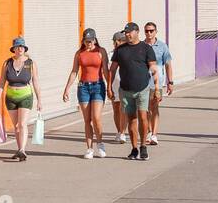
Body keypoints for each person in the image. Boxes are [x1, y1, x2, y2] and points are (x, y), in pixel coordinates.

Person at [108, 22, 159, 161]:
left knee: (143, 117)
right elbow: (112, 69)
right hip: (125, 90)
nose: (127, 35)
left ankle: (143, 146)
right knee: (131, 120)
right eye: (126, 32)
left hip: (142, 89)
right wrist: (109, 87)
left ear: (137, 32)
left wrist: (157, 87)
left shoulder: (146, 48)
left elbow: (154, 69)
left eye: (129, 32)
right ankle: (134, 148)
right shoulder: (121, 50)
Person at [62, 28, 108, 159]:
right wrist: (67, 89)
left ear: (95, 39)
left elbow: (105, 69)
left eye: (90, 41)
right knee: (87, 120)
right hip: (83, 87)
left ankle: (100, 143)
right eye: (86, 41)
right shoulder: (79, 53)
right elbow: (74, 71)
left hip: (98, 86)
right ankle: (89, 148)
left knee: (96, 118)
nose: (88, 43)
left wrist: (109, 86)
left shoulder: (101, 51)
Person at [0, 36, 42, 163]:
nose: (20, 48)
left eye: (22, 46)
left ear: (24, 48)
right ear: (14, 49)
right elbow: (1, 83)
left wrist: (39, 100)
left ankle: (22, 150)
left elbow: (36, 82)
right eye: (17, 47)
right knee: (16, 126)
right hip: (10, 97)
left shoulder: (30, 63)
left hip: (25, 96)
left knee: (22, 124)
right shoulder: (7, 63)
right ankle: (19, 149)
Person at [142, 22, 173, 146]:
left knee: (154, 107)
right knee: (146, 109)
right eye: (147, 31)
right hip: (143, 83)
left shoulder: (162, 46)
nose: (149, 33)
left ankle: (154, 134)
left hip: (157, 83)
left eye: (151, 30)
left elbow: (168, 64)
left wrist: (170, 82)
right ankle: (149, 131)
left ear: (156, 31)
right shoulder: (141, 46)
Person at [108, 31, 128, 143]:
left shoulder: (127, 52)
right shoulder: (110, 54)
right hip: (114, 85)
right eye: (115, 41)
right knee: (116, 109)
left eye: (120, 40)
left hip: (125, 85)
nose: (117, 42)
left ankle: (123, 132)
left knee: (123, 109)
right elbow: (107, 71)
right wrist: (108, 86)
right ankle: (119, 131)